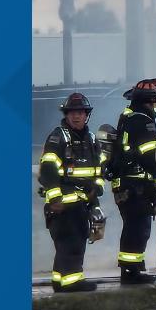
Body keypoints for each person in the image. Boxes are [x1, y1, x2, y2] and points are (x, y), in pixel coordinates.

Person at [38, 92, 106, 293]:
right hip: (64, 203)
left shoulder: (92, 139)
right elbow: (48, 170)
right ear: (66, 115)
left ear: (87, 115)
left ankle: (60, 281)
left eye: (80, 112)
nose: (76, 116)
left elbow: (99, 169)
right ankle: (72, 282)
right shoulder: (58, 137)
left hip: (83, 200)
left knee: (73, 240)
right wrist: (56, 198)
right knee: (70, 242)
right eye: (72, 113)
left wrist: (97, 189)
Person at [111, 78, 156, 284]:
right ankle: (131, 273)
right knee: (138, 228)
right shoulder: (143, 121)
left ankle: (131, 270)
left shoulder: (129, 117)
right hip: (135, 186)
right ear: (149, 101)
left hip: (128, 184)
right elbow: (150, 158)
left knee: (134, 227)